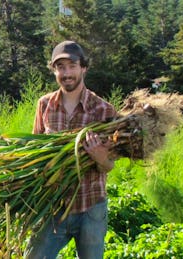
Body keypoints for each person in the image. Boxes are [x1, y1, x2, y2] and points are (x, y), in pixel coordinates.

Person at [26, 40, 117, 259]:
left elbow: (109, 166)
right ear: (54, 70)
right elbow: (35, 150)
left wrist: (100, 157)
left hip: (91, 207)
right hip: (53, 205)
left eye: (72, 66)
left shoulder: (103, 110)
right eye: (60, 67)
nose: (66, 73)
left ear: (83, 67)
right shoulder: (44, 104)